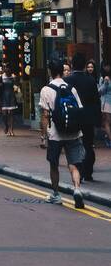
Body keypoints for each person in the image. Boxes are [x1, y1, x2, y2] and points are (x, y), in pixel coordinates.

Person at [39, 57, 85, 208]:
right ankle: (77, 189)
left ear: (50, 72)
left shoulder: (46, 90)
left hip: (55, 134)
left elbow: (45, 115)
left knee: (54, 165)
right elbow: (79, 110)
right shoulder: (71, 88)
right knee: (74, 164)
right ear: (62, 71)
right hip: (73, 132)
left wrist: (43, 136)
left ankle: (56, 195)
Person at [66, 52, 101, 182]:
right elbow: (96, 101)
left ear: (73, 65)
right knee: (88, 145)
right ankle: (88, 172)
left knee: (74, 145)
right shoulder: (91, 80)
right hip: (88, 118)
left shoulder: (67, 80)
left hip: (74, 118)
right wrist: (97, 119)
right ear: (84, 66)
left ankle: (78, 172)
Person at [0, 63, 18, 137]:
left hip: (11, 95)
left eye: (8, 68)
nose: (7, 69)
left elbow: (16, 86)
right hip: (3, 96)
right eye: (5, 68)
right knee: (4, 114)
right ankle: (6, 126)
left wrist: (15, 83)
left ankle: (11, 129)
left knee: (11, 114)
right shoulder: (1, 77)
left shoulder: (13, 76)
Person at [99, 62, 111, 148]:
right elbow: (100, 91)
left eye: (108, 65)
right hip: (106, 102)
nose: (107, 67)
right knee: (107, 122)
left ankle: (107, 137)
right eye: (105, 66)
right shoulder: (102, 78)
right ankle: (110, 139)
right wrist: (105, 83)